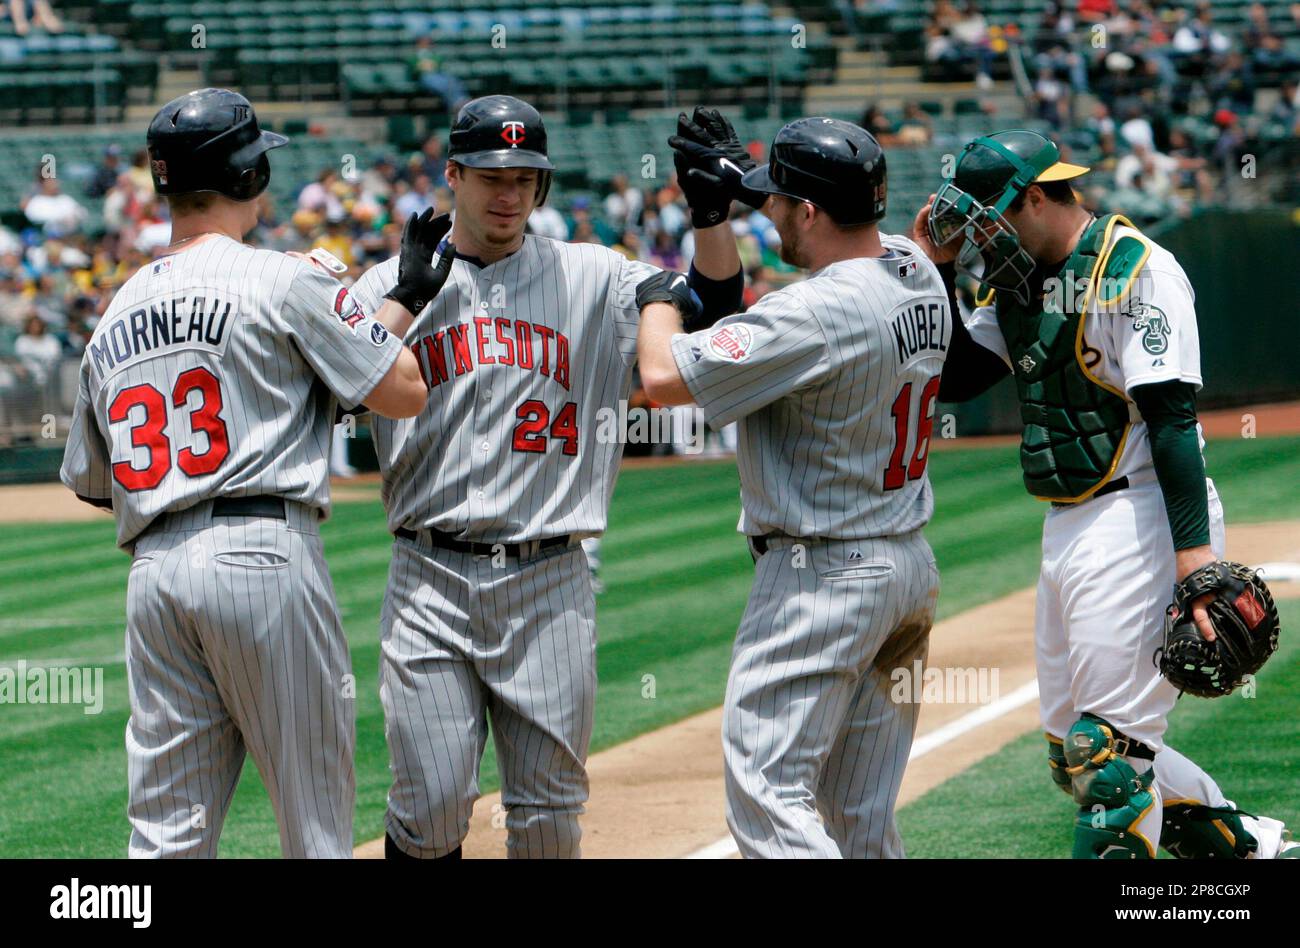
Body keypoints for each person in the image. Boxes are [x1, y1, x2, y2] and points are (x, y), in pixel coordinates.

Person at [346, 96, 744, 859]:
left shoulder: (592, 275)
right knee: (428, 808)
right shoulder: (393, 284)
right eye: (492, 175)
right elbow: (332, 389)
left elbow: (712, 310)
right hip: (428, 571)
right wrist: (402, 301)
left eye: (526, 178)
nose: (509, 193)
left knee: (549, 816)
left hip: (549, 576)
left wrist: (710, 218)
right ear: (453, 175)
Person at [58, 88, 438, 858]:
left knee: (167, 834)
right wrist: (370, 302)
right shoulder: (282, 275)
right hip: (262, 553)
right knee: (315, 824)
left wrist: (394, 300)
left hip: (155, 573)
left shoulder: (116, 310)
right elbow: (401, 390)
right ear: (246, 174)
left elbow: (92, 480)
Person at [917, 128, 1299, 859]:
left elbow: (1173, 421)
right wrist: (936, 271)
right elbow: (960, 378)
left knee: (1109, 757)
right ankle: (1251, 848)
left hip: (1140, 513)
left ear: (1034, 196)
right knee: (1075, 755)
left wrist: (1193, 563)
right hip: (1069, 525)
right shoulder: (1023, 281)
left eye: (990, 218)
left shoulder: (1137, 270)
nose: (981, 237)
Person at [637, 115, 950, 858]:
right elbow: (824, 239)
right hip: (905, 565)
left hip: (823, 578)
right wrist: (728, 201)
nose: (769, 207)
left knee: (768, 793)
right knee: (857, 816)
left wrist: (658, 298)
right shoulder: (916, 268)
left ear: (809, 211)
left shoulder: (813, 311)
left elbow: (660, 378)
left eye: (780, 200)